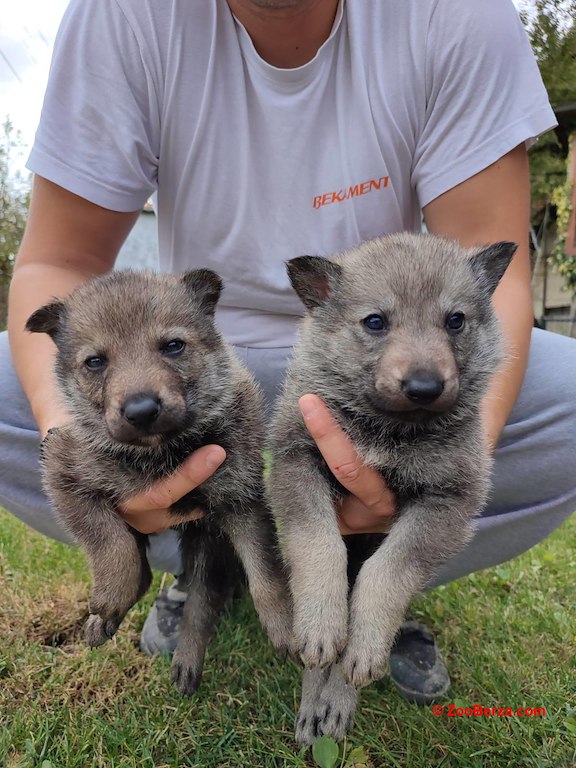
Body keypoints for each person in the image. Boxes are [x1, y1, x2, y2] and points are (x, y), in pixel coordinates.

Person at [3, 0, 575, 707]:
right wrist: (72, 449)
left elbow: (494, 276)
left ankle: (375, 572)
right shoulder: (124, 14)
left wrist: (454, 457)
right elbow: (55, 263)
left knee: (566, 402)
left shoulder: (454, 14)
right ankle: (193, 555)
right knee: (10, 391)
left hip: (373, 380)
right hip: (211, 369)